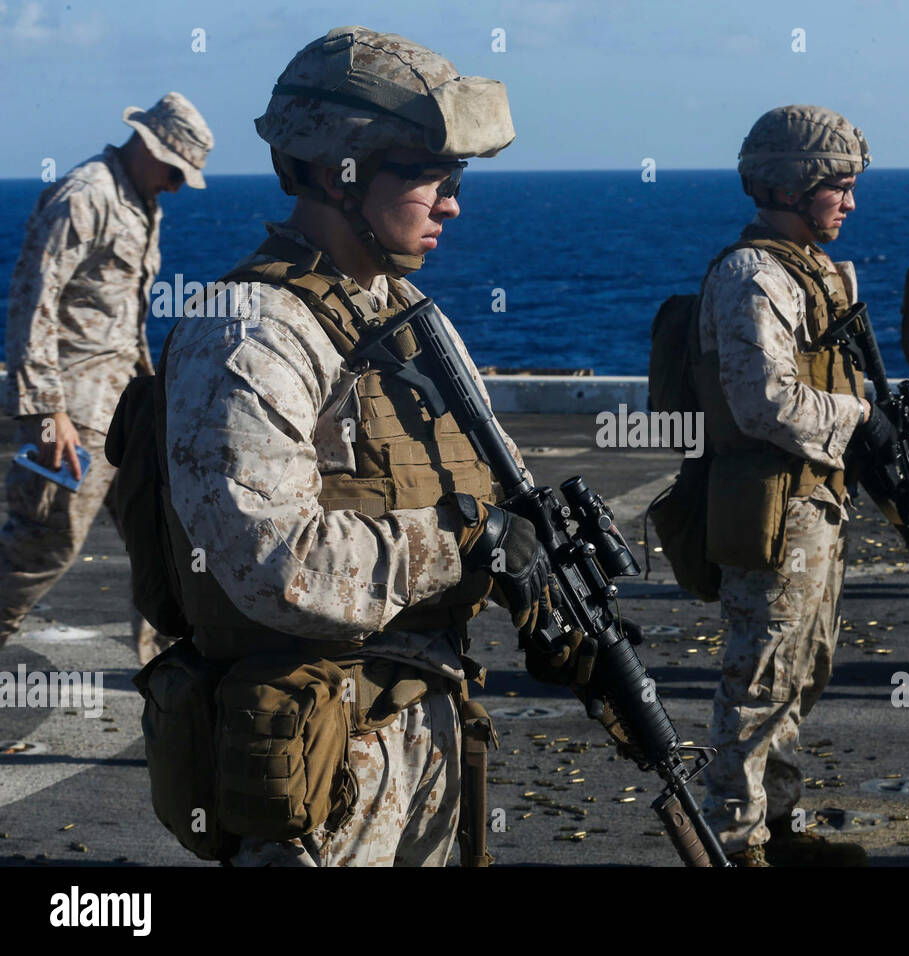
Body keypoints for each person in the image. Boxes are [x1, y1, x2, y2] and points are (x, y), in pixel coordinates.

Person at [158, 26, 552, 867]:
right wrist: (463, 544)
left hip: (423, 724)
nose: (450, 203)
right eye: (424, 176)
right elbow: (273, 562)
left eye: (453, 178)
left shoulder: (407, 314)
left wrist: (542, 571)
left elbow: (491, 484)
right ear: (340, 171)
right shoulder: (250, 331)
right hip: (320, 759)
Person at [696, 105, 889, 867]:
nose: (849, 201)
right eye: (838, 185)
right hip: (772, 503)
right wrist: (861, 416)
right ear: (794, 184)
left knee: (805, 668)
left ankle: (775, 822)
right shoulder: (756, 274)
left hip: (813, 498)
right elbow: (765, 401)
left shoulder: (813, 268)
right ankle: (734, 840)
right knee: (760, 674)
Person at [1, 92, 212, 665]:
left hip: (125, 408)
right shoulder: (85, 196)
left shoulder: (142, 198)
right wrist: (46, 414)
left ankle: (168, 693)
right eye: (174, 170)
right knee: (41, 545)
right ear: (148, 147)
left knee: (161, 546)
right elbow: (31, 303)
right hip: (71, 412)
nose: (175, 185)